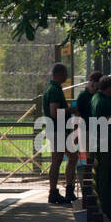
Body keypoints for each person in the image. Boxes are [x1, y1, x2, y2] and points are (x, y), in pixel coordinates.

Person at [43, 63, 75, 204]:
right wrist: (70, 111)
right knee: (57, 161)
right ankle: (53, 192)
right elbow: (54, 112)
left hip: (58, 130)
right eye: (65, 73)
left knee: (72, 156)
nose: (67, 76)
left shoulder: (52, 88)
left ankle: (68, 189)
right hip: (58, 130)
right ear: (60, 74)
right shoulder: (54, 90)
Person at [89, 77, 111, 210]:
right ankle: (106, 204)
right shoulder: (105, 102)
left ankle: (99, 199)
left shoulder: (95, 97)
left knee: (99, 171)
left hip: (96, 138)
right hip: (106, 139)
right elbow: (110, 120)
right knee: (105, 173)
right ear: (109, 88)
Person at [74, 71, 102, 169]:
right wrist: (75, 133)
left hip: (99, 130)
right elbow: (77, 115)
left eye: (95, 81)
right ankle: (88, 180)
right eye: (90, 80)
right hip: (85, 129)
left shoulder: (101, 97)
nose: (92, 83)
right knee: (89, 156)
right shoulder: (83, 96)